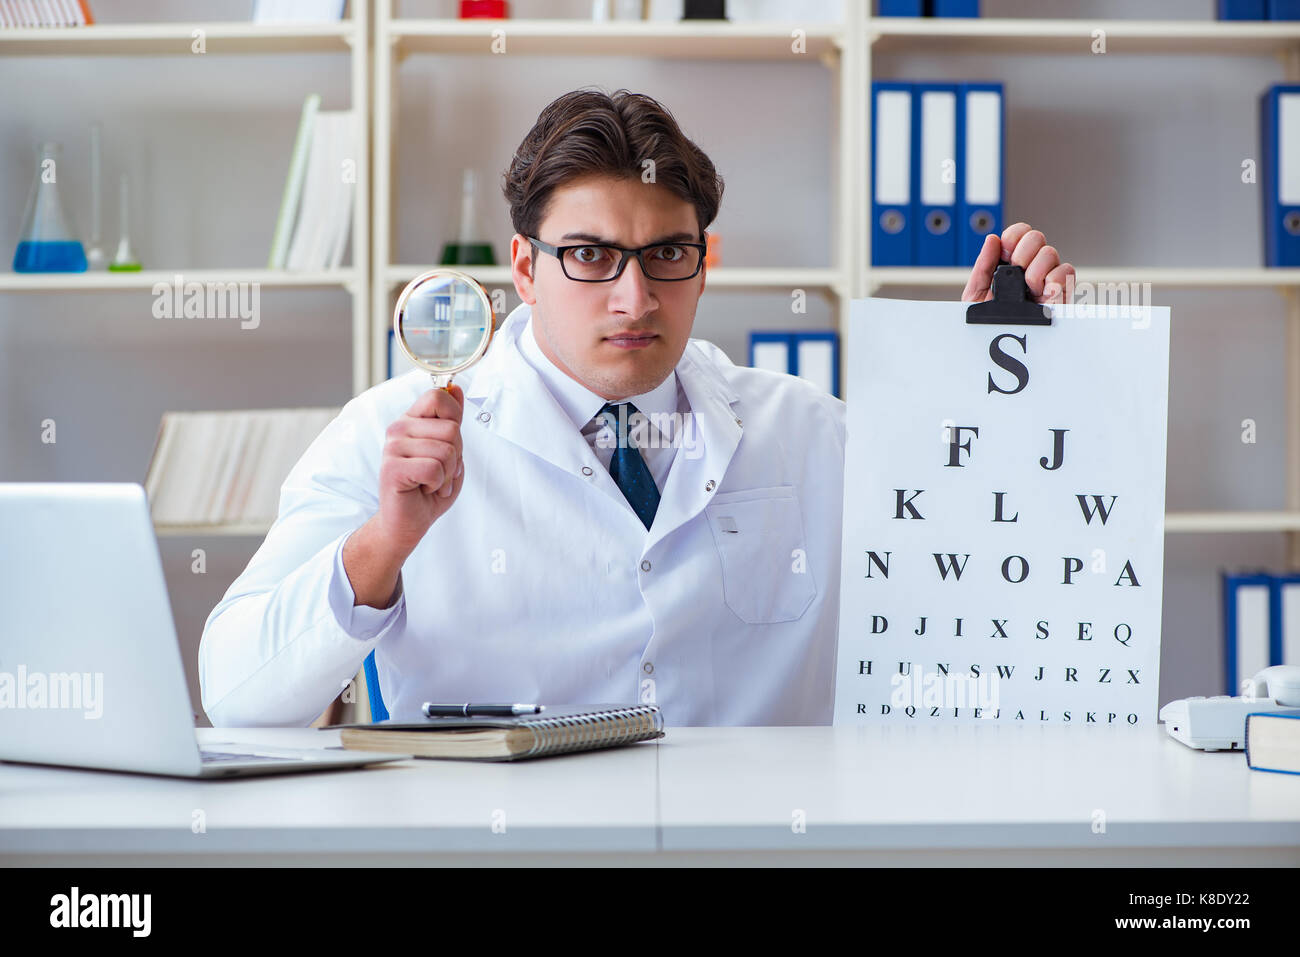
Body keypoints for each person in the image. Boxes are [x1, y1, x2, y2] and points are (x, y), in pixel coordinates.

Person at [198, 88, 1074, 728]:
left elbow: (986, 573)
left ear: (704, 261)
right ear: (525, 268)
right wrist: (384, 546)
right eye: (590, 255)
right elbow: (236, 694)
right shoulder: (390, 435)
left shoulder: (810, 432)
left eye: (667, 254)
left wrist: (1001, 385)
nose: (635, 297)